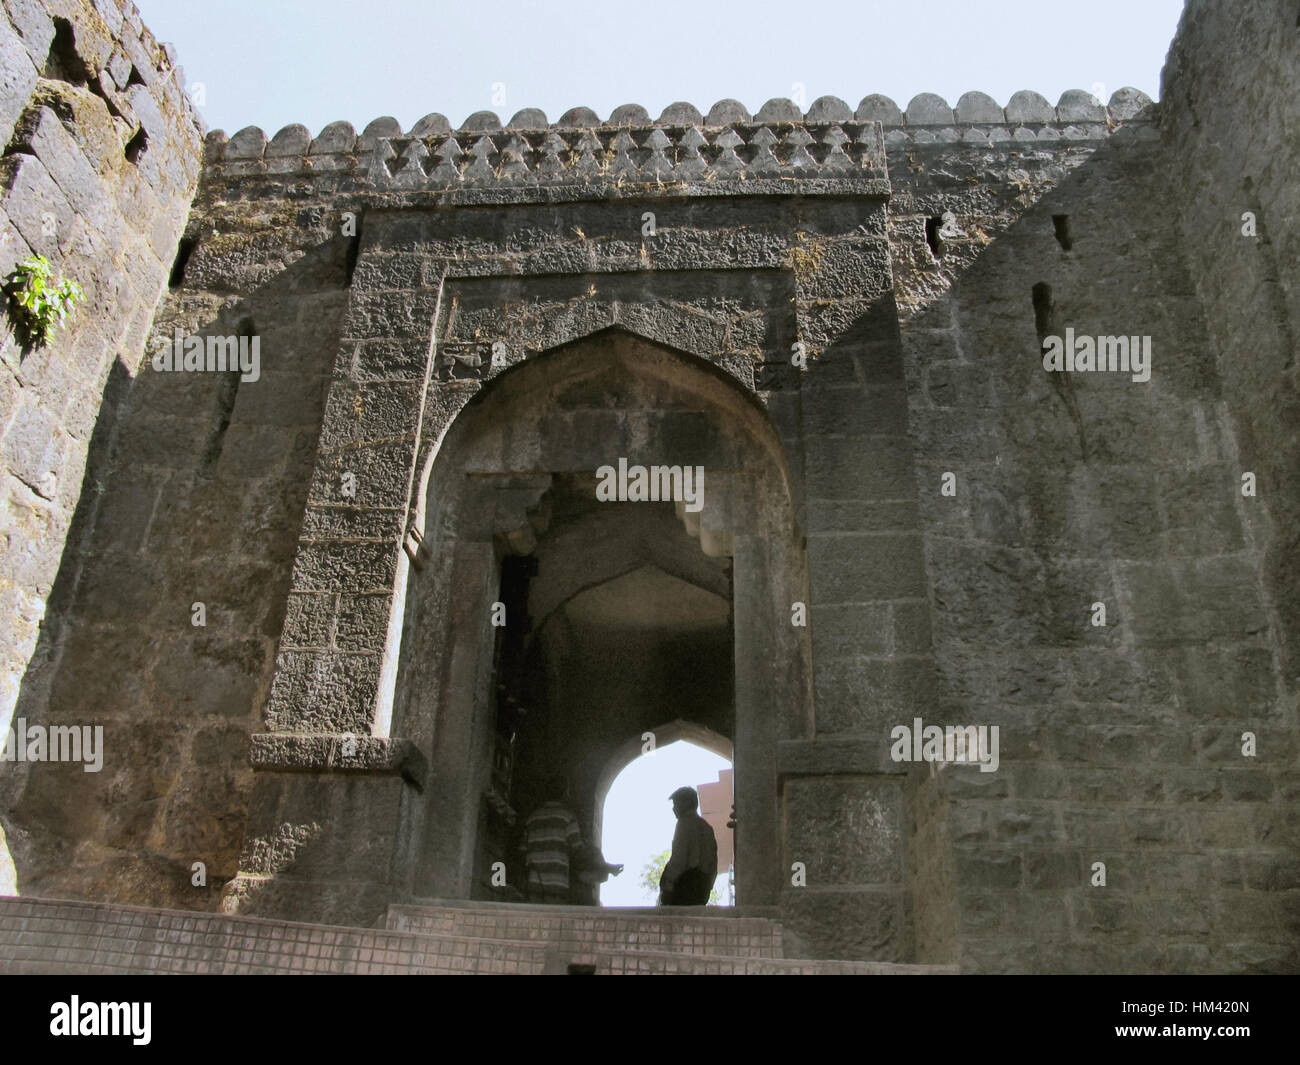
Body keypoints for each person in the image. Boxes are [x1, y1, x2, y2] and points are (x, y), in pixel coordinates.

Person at [523, 775, 622, 904]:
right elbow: (578, 850)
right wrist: (606, 867)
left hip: (533, 881)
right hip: (556, 882)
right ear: (565, 793)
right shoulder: (567, 818)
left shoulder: (532, 818)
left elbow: (523, 850)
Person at [659, 785, 718, 906]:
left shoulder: (684, 823)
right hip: (702, 888)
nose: (674, 808)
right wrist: (707, 887)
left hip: (685, 885)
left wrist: (668, 885)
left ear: (686, 803)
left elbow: (679, 859)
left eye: (676, 804)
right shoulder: (707, 827)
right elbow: (713, 863)